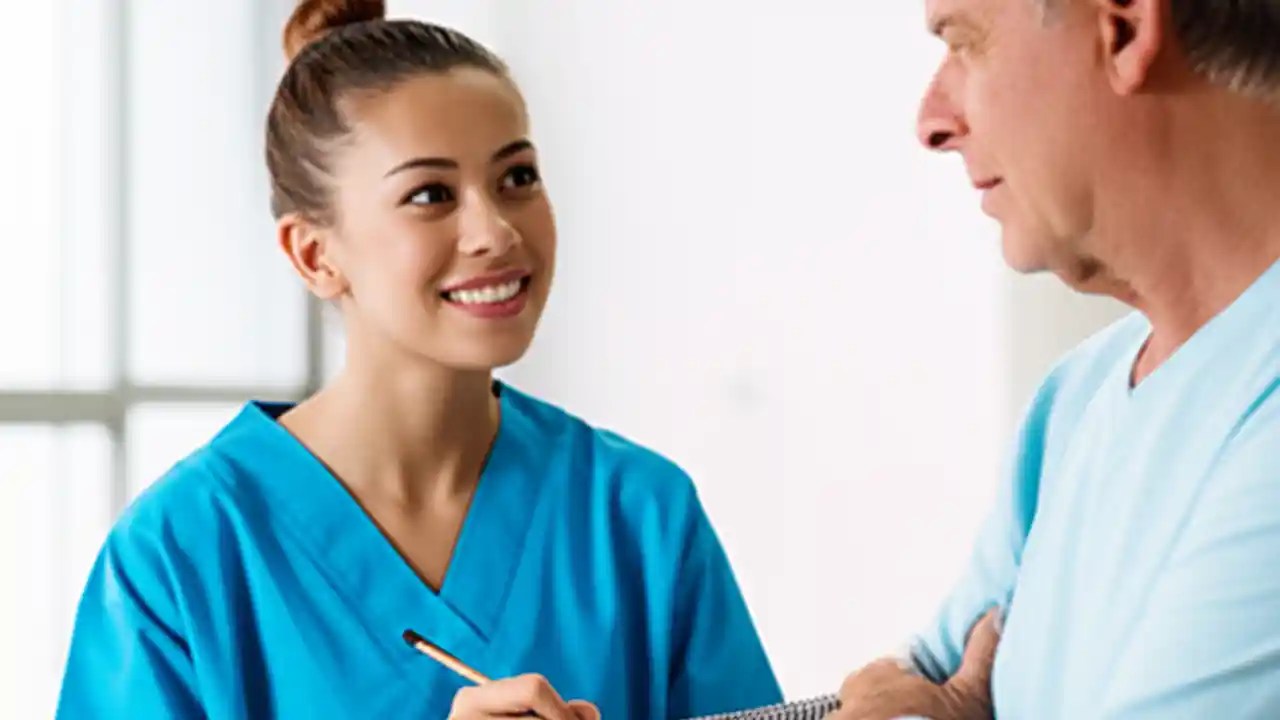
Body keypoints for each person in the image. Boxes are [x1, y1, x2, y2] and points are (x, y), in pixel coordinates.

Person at [55, 1, 783, 718]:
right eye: (430, 194)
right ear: (314, 254)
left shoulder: (638, 516)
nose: (495, 231)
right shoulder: (183, 554)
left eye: (517, 178)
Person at [832, 0, 1280, 718]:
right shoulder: (1078, 401)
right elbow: (911, 684)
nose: (932, 120)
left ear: (1125, 29)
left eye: (966, 45)